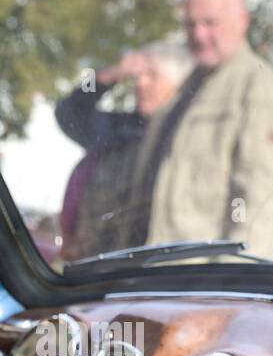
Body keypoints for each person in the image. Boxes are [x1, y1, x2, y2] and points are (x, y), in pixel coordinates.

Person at [135, 0, 273, 259]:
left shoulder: (260, 88)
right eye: (191, 24)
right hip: (155, 278)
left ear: (243, 20)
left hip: (200, 289)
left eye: (210, 23)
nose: (199, 35)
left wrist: (231, 288)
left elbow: (265, 204)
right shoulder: (186, 88)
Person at [54, 43, 192, 261]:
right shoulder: (119, 129)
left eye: (152, 76)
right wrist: (109, 75)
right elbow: (69, 111)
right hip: (93, 264)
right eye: (138, 76)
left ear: (179, 86)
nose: (141, 83)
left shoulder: (190, 143)